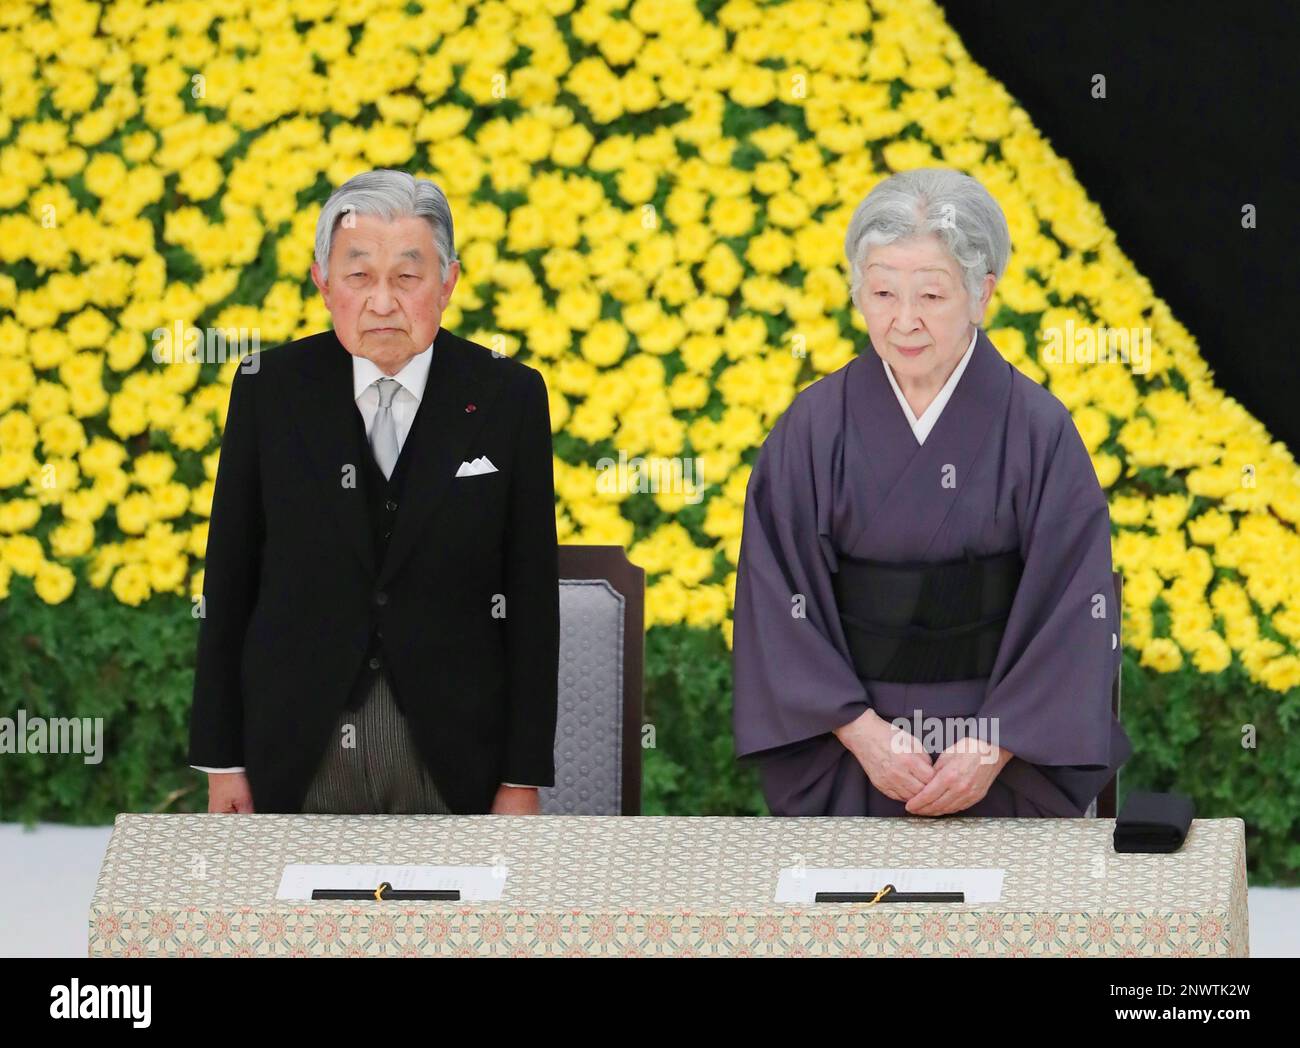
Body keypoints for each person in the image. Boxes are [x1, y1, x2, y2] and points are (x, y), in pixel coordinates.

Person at [732, 167, 1132, 818]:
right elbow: (776, 603)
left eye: (932, 295)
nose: (904, 321)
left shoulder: (1038, 430)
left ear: (982, 293)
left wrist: (994, 745)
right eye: (882, 292)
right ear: (857, 291)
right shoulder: (812, 428)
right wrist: (861, 733)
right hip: (847, 756)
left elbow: (1075, 607)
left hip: (1005, 762)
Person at [188, 169, 559, 815]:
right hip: (297, 746)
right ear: (323, 283)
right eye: (358, 276)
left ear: (448, 283)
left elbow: (530, 597)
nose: (382, 302)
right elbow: (229, 579)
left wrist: (521, 777)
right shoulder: (268, 388)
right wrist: (224, 762)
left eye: (407, 277)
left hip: (456, 751)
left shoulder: (510, 395)